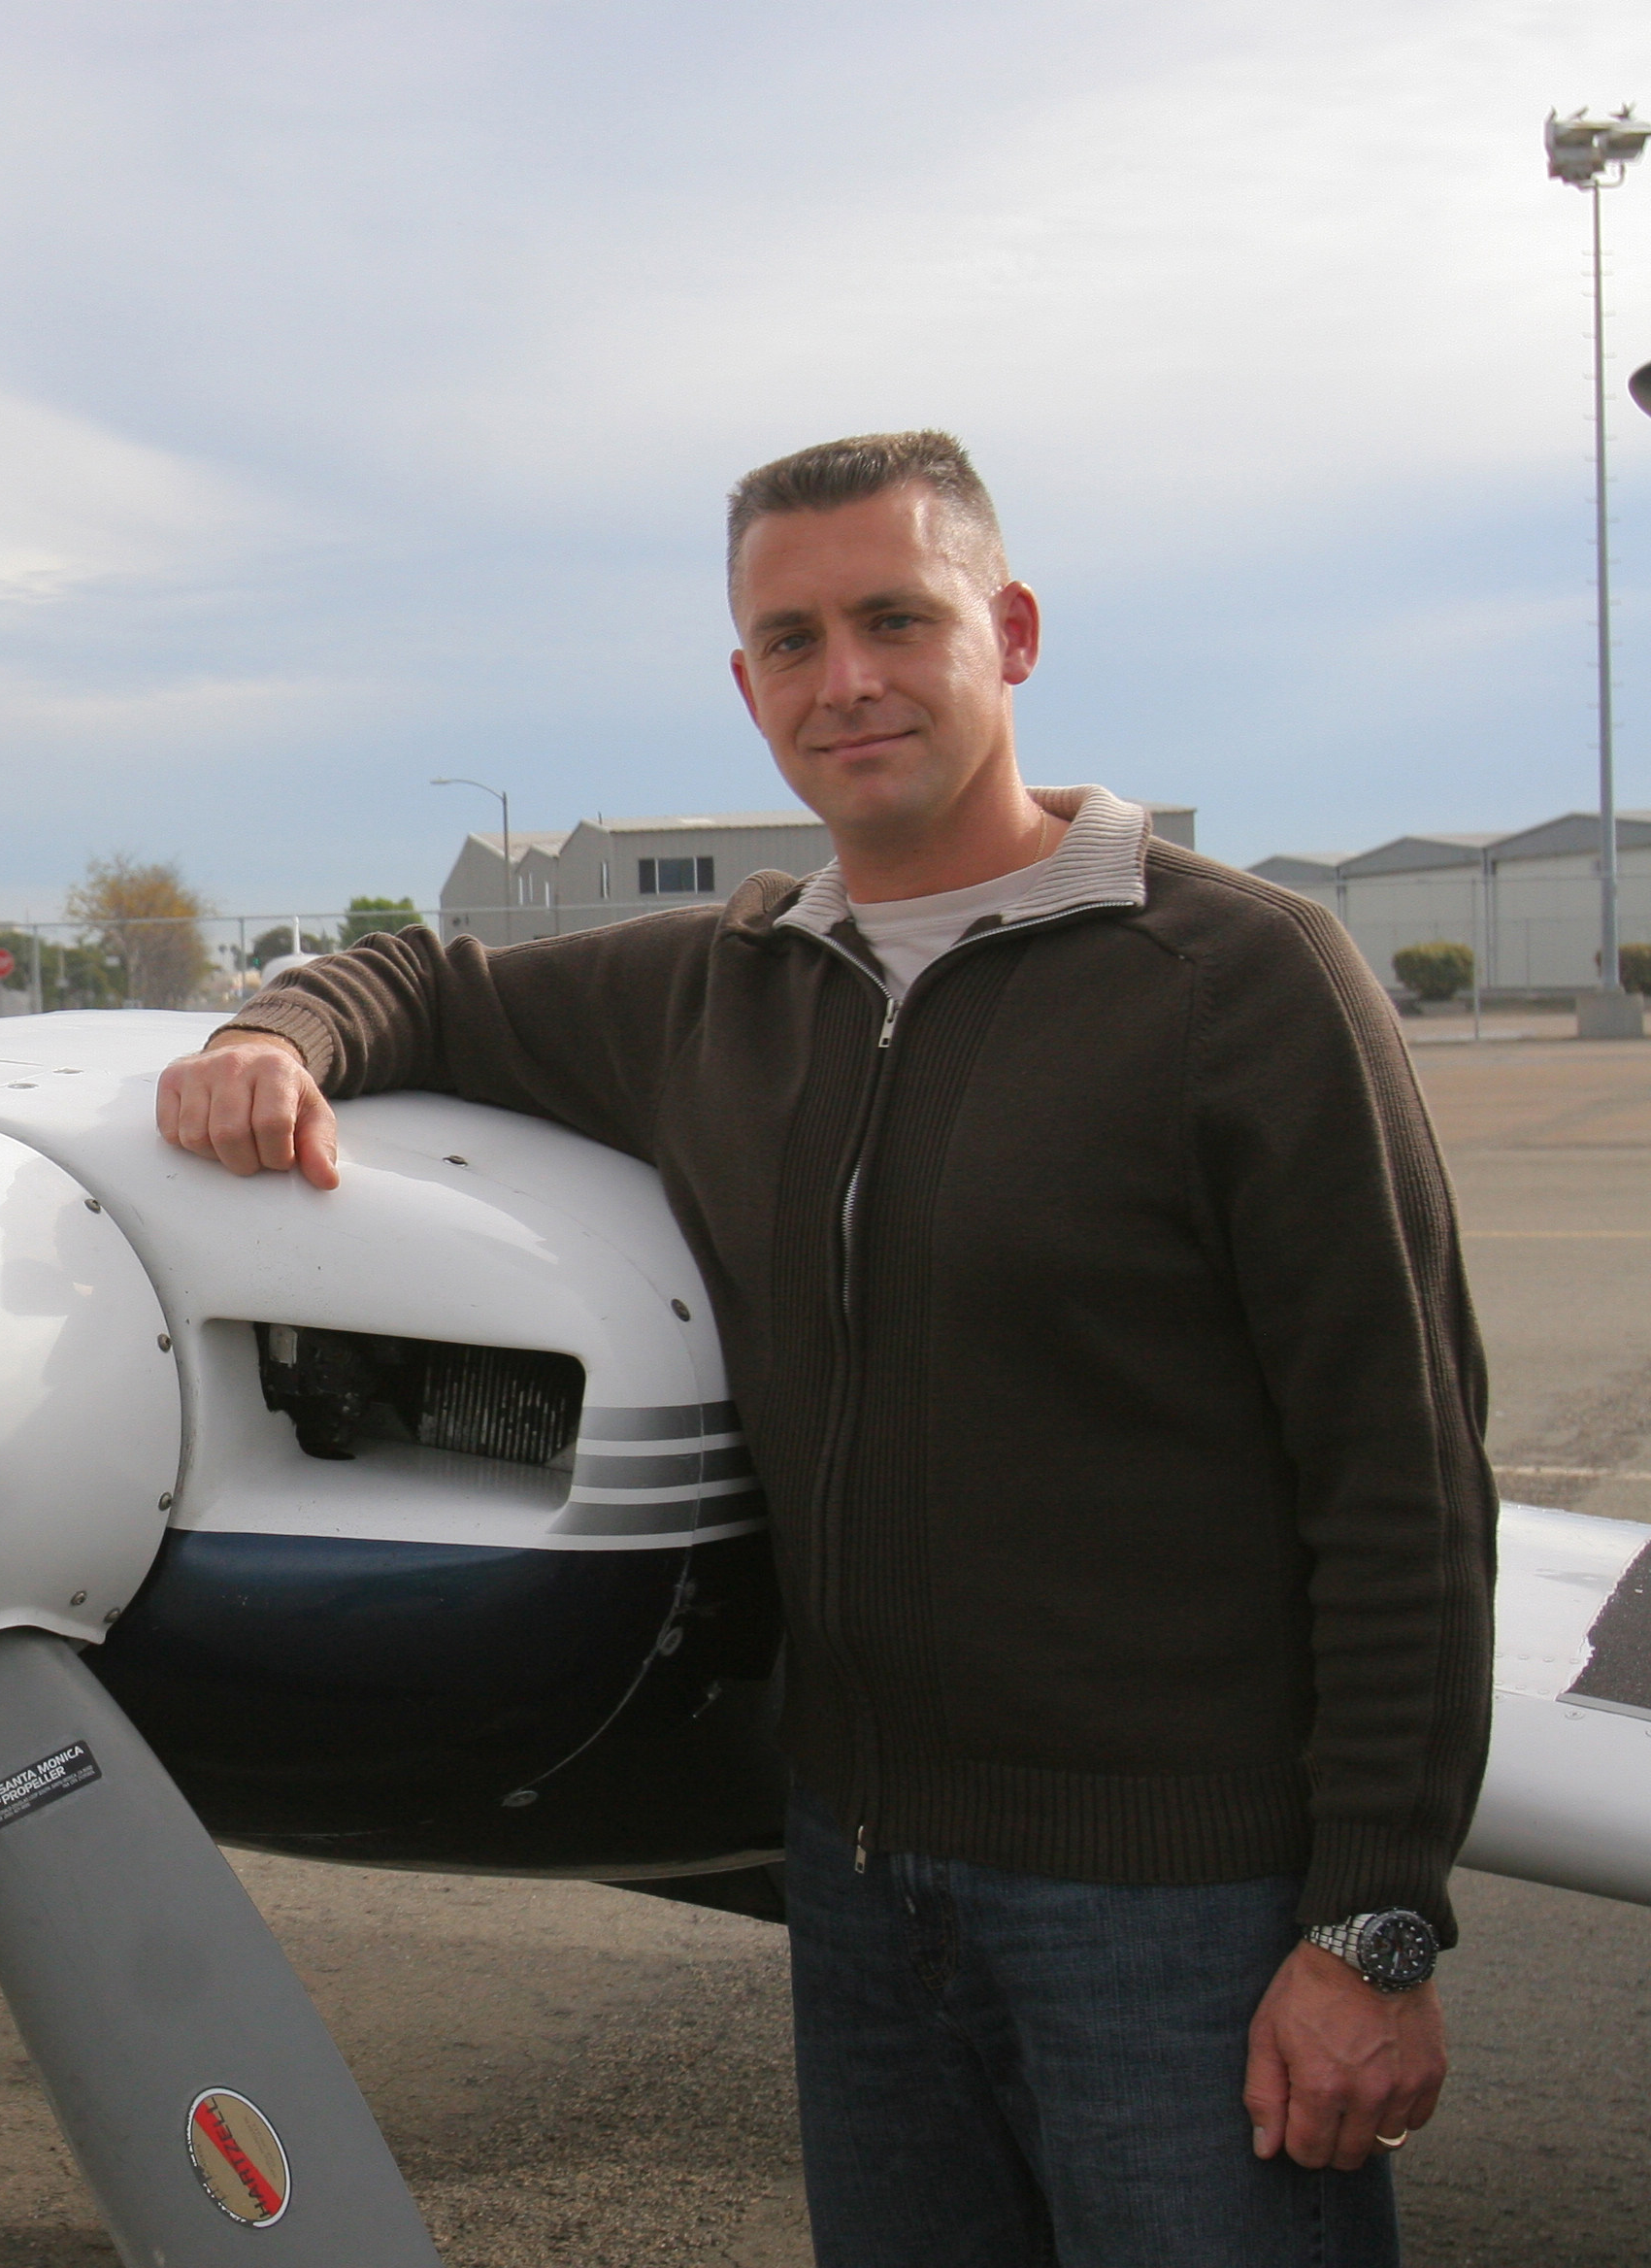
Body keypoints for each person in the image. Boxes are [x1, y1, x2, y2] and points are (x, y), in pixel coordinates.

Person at [157, 433, 1494, 2267]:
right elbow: (425, 979)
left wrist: (1376, 1927)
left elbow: (1405, 1482)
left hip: (1181, 1909)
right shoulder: (726, 979)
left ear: (1008, 634)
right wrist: (272, 1034)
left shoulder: (1247, 984)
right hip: (858, 1895)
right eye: (790, 641)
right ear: (745, 686)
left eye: (896, 619)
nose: (843, 679)